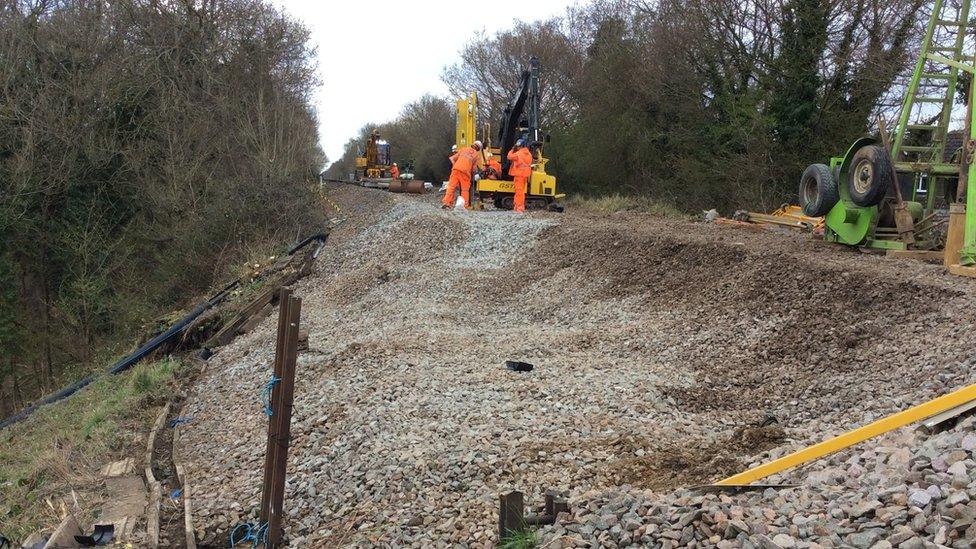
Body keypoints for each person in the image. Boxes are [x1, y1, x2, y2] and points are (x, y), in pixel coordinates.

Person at [443, 141, 483, 209]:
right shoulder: (476, 155)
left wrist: (455, 165)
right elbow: (473, 169)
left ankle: (447, 203)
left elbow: (452, 158)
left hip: (455, 170)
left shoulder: (463, 149)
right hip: (465, 173)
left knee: (451, 187)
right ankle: (464, 206)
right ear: (478, 149)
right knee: (465, 190)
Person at [507, 139, 532, 213]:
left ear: (520, 146)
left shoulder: (518, 154)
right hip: (525, 175)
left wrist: (512, 149)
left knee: (519, 192)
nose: (517, 148)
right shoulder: (529, 154)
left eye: (518, 146)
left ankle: (519, 208)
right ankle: (517, 206)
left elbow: (509, 157)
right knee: (521, 192)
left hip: (519, 175)